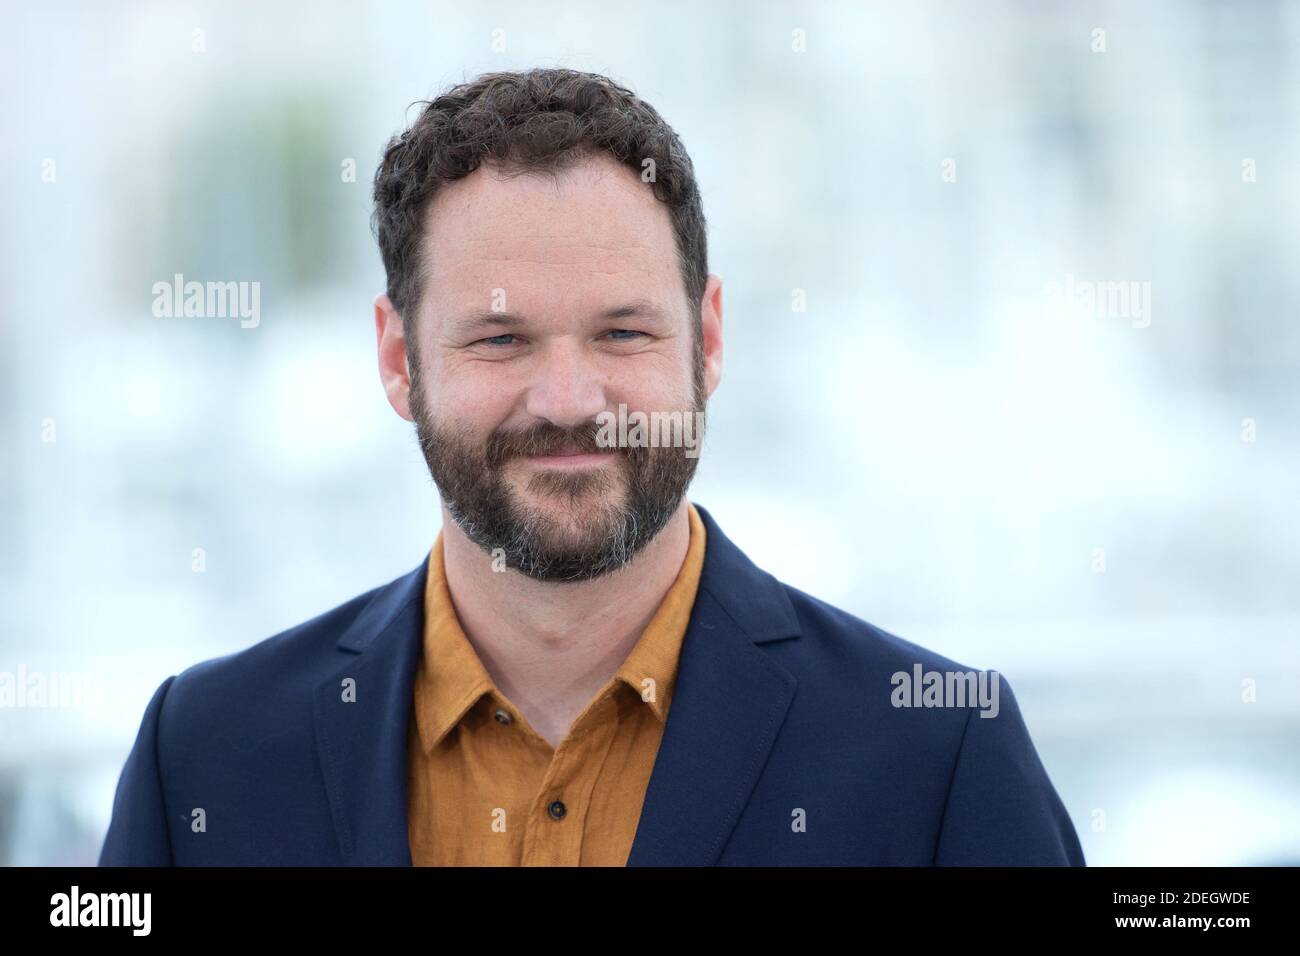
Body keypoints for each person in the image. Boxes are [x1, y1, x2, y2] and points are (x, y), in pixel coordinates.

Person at [99, 67, 1084, 866]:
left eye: (621, 331)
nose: (569, 400)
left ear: (707, 340)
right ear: (398, 361)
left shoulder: (938, 756)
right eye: (500, 339)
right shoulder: (201, 758)